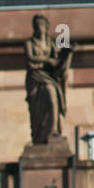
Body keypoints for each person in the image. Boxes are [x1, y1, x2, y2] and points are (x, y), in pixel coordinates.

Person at [25, 14, 71, 145]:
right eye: (37, 25)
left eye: (42, 25)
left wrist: (68, 54)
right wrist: (48, 60)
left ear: (46, 27)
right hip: (35, 78)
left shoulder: (50, 43)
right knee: (36, 110)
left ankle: (53, 130)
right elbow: (31, 57)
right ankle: (39, 134)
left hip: (48, 78)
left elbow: (58, 59)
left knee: (53, 99)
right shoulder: (29, 42)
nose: (40, 28)